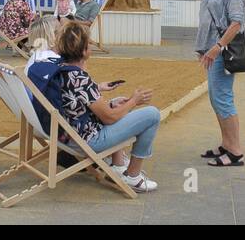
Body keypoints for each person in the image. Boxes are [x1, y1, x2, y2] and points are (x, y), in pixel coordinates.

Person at [29, 20, 160, 193]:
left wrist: (114, 103)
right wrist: (133, 101)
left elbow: (80, 105)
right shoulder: (80, 78)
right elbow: (109, 117)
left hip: (69, 135)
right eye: (89, 44)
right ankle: (132, 176)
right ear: (84, 51)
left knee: (117, 108)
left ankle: (118, 166)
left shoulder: (60, 70)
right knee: (152, 115)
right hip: (89, 141)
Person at [197, 0, 245, 167]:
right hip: (211, 49)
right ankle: (226, 144)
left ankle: (235, 152)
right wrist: (204, 47)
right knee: (216, 98)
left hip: (223, 51)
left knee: (223, 98)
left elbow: (236, 22)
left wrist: (216, 47)